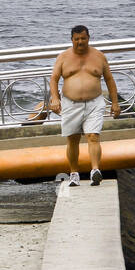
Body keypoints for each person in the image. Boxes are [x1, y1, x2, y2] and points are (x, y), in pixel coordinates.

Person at [49, 25, 120, 186]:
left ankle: (95, 170)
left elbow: (109, 79)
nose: (80, 42)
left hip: (94, 102)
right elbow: (54, 78)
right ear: (72, 39)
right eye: (77, 39)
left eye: (83, 38)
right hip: (70, 103)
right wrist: (55, 99)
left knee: (93, 136)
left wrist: (115, 103)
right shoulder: (63, 57)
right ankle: (74, 173)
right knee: (72, 139)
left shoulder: (99, 56)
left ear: (88, 38)